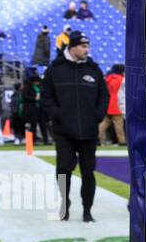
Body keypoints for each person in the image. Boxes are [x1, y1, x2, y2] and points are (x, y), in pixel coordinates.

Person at [40, 30, 109, 222]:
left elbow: (104, 95)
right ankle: (65, 204)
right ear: (72, 48)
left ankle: (87, 210)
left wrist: (98, 114)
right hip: (64, 131)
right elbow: (46, 96)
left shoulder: (94, 69)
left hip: (88, 131)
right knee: (63, 168)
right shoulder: (55, 69)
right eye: (83, 46)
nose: (87, 50)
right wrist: (56, 114)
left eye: (88, 46)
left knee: (88, 172)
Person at [98, 63, 126, 145]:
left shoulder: (108, 78)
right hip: (116, 104)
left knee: (104, 124)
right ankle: (122, 141)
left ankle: (97, 138)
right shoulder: (122, 79)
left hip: (107, 103)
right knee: (119, 124)